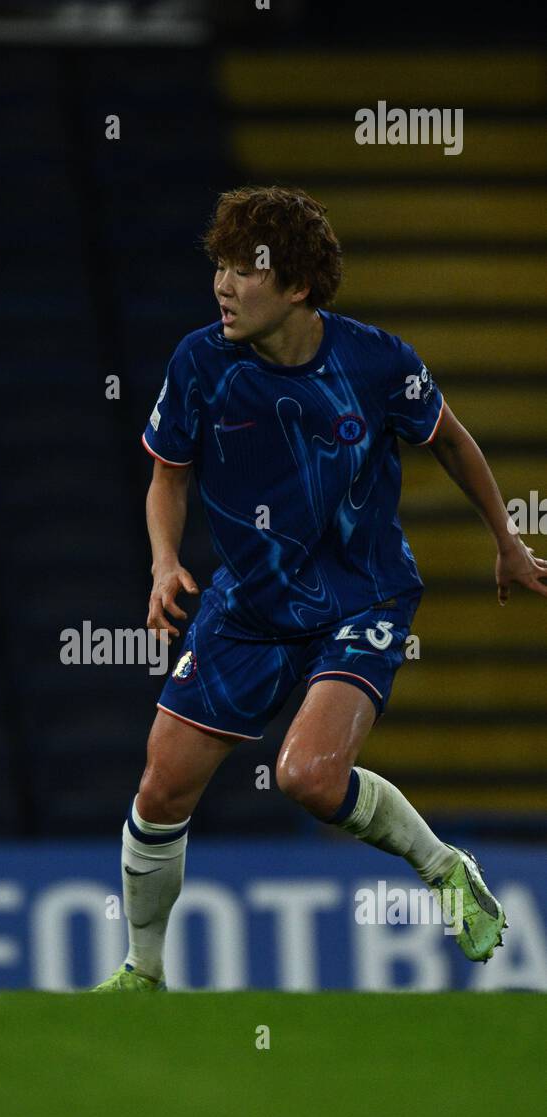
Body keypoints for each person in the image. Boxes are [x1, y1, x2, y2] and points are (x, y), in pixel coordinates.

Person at [93, 185, 546, 992]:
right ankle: (144, 975)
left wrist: (506, 541)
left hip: (360, 597)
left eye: (243, 271)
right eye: (220, 267)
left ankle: (442, 868)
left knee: (307, 776)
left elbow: (448, 439)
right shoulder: (201, 362)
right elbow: (170, 474)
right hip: (250, 603)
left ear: (297, 286)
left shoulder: (376, 362)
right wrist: (165, 561)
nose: (222, 287)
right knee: (160, 790)